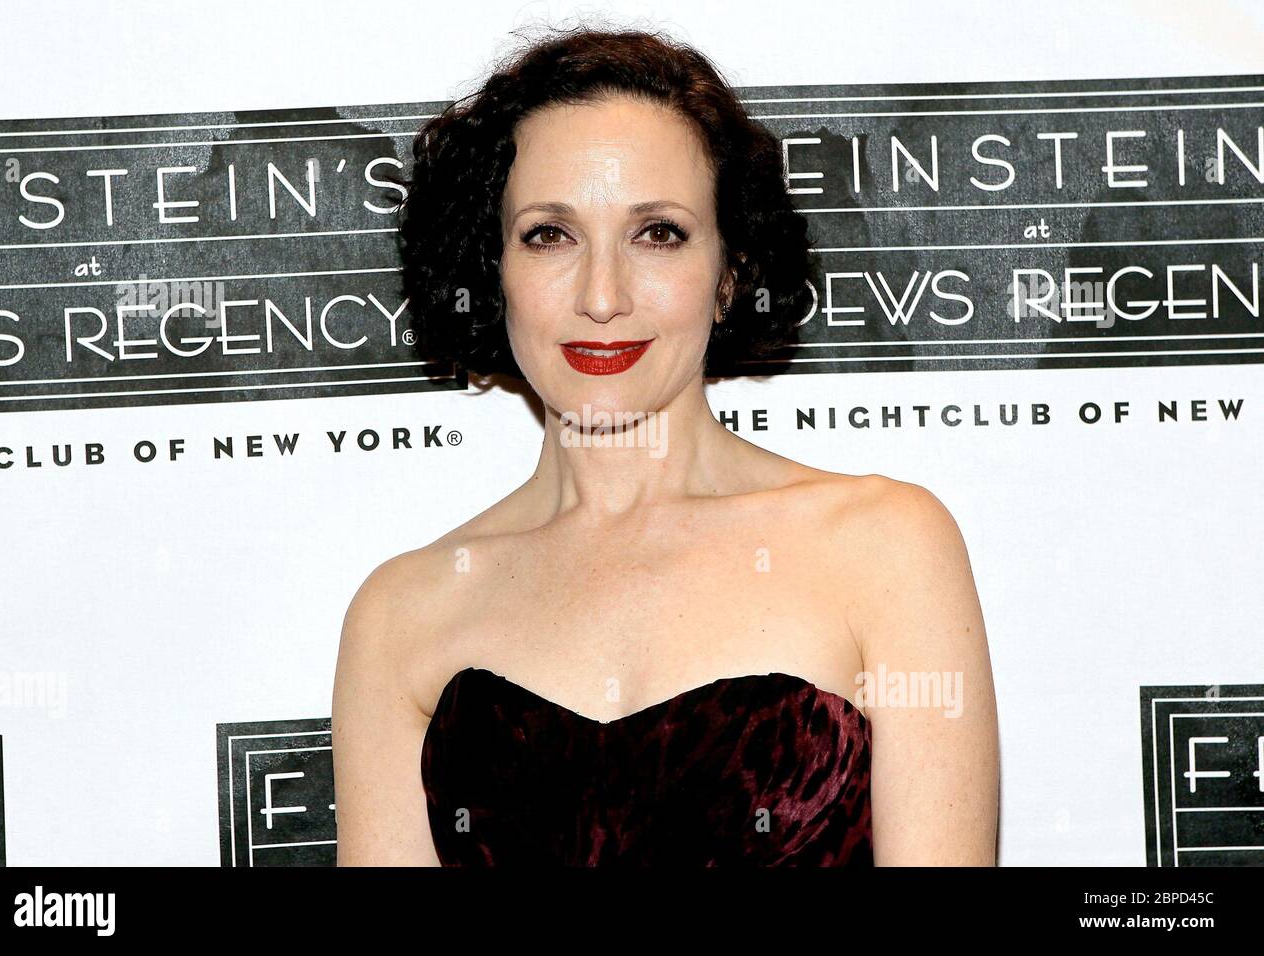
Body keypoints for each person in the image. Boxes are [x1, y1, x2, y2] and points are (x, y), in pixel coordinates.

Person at [331, 22, 998, 865]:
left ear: (730, 275)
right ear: (489, 268)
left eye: (658, 233)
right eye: (549, 234)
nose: (602, 295)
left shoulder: (885, 546)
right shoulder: (404, 614)